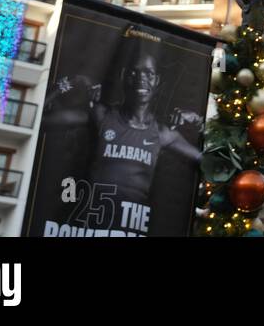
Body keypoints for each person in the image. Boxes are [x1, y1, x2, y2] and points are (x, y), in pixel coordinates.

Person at [43, 37, 201, 216]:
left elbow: (207, 162)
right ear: (124, 76)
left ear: (156, 81)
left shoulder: (162, 133)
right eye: (135, 72)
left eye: (148, 74)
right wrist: (71, 81)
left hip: (130, 226)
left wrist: (198, 122)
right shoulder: (101, 116)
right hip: (90, 221)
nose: (142, 79)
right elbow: (43, 120)